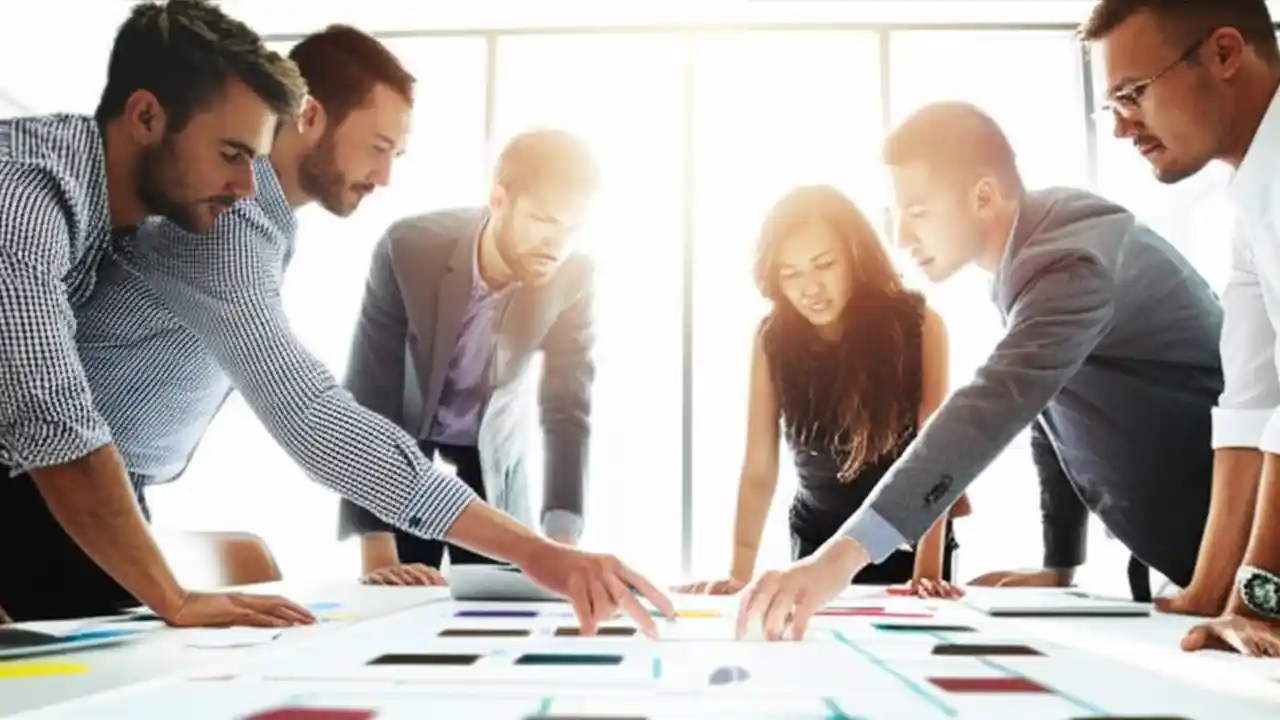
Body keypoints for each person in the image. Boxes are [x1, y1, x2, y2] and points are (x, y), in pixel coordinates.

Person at [65, 25, 672, 635]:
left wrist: (554, 536)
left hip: (113, 483)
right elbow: (317, 414)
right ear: (309, 116)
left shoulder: (258, 221)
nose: (384, 176)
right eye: (377, 146)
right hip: (59, 482)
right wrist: (537, 553)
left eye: (396, 156)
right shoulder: (229, 227)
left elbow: (568, 409)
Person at [735, 102, 1224, 643]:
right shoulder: (1035, 253)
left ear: (983, 197)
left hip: (1240, 550)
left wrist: (838, 560)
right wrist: (1060, 564)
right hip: (1196, 558)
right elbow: (1048, 401)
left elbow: (992, 407)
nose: (901, 236)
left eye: (917, 211)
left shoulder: (1068, 263)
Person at [0, 0, 317, 627]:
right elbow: (49, 418)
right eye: (231, 153)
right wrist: (172, 597)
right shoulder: (26, 200)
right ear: (146, 115)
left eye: (254, 161)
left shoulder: (106, 221)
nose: (247, 188)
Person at [1082, 0, 1280, 657]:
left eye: (1131, 94)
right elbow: (1251, 404)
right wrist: (1207, 590)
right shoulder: (1252, 201)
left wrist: (1260, 601)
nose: (1121, 127)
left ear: (1225, 54)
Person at [675, 186, 968, 599]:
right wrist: (739, 574)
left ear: (855, 257)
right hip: (817, 538)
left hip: (911, 538)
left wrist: (925, 569)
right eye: (790, 274)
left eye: (823, 265)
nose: (809, 288)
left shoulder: (920, 325)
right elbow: (759, 467)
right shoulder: (771, 338)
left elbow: (938, 451)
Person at [338, 129, 598, 585]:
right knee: (401, 602)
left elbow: (567, 407)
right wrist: (375, 542)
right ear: (499, 200)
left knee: (499, 604)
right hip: (407, 454)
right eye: (543, 219)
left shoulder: (572, 277)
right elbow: (370, 394)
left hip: (490, 455)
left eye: (572, 228)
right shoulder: (410, 249)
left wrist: (562, 544)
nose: (556, 245)